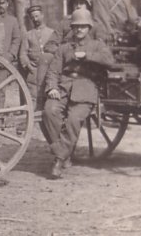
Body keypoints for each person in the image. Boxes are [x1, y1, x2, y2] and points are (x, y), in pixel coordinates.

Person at [43, 9, 116, 179]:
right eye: (76, 26)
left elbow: (109, 61)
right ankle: (63, 152)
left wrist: (88, 56)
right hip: (64, 86)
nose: (79, 30)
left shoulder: (97, 45)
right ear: (72, 28)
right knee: (49, 111)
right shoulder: (64, 48)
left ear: (89, 27)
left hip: (86, 88)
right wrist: (52, 87)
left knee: (74, 119)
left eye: (83, 26)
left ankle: (59, 159)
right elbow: (53, 70)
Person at [19, 5, 56, 107]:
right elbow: (23, 54)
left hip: (49, 70)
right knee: (33, 97)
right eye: (32, 17)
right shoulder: (28, 35)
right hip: (34, 71)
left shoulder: (52, 33)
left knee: (49, 96)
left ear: (42, 16)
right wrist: (28, 66)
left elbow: (57, 52)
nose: (35, 19)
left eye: (37, 16)